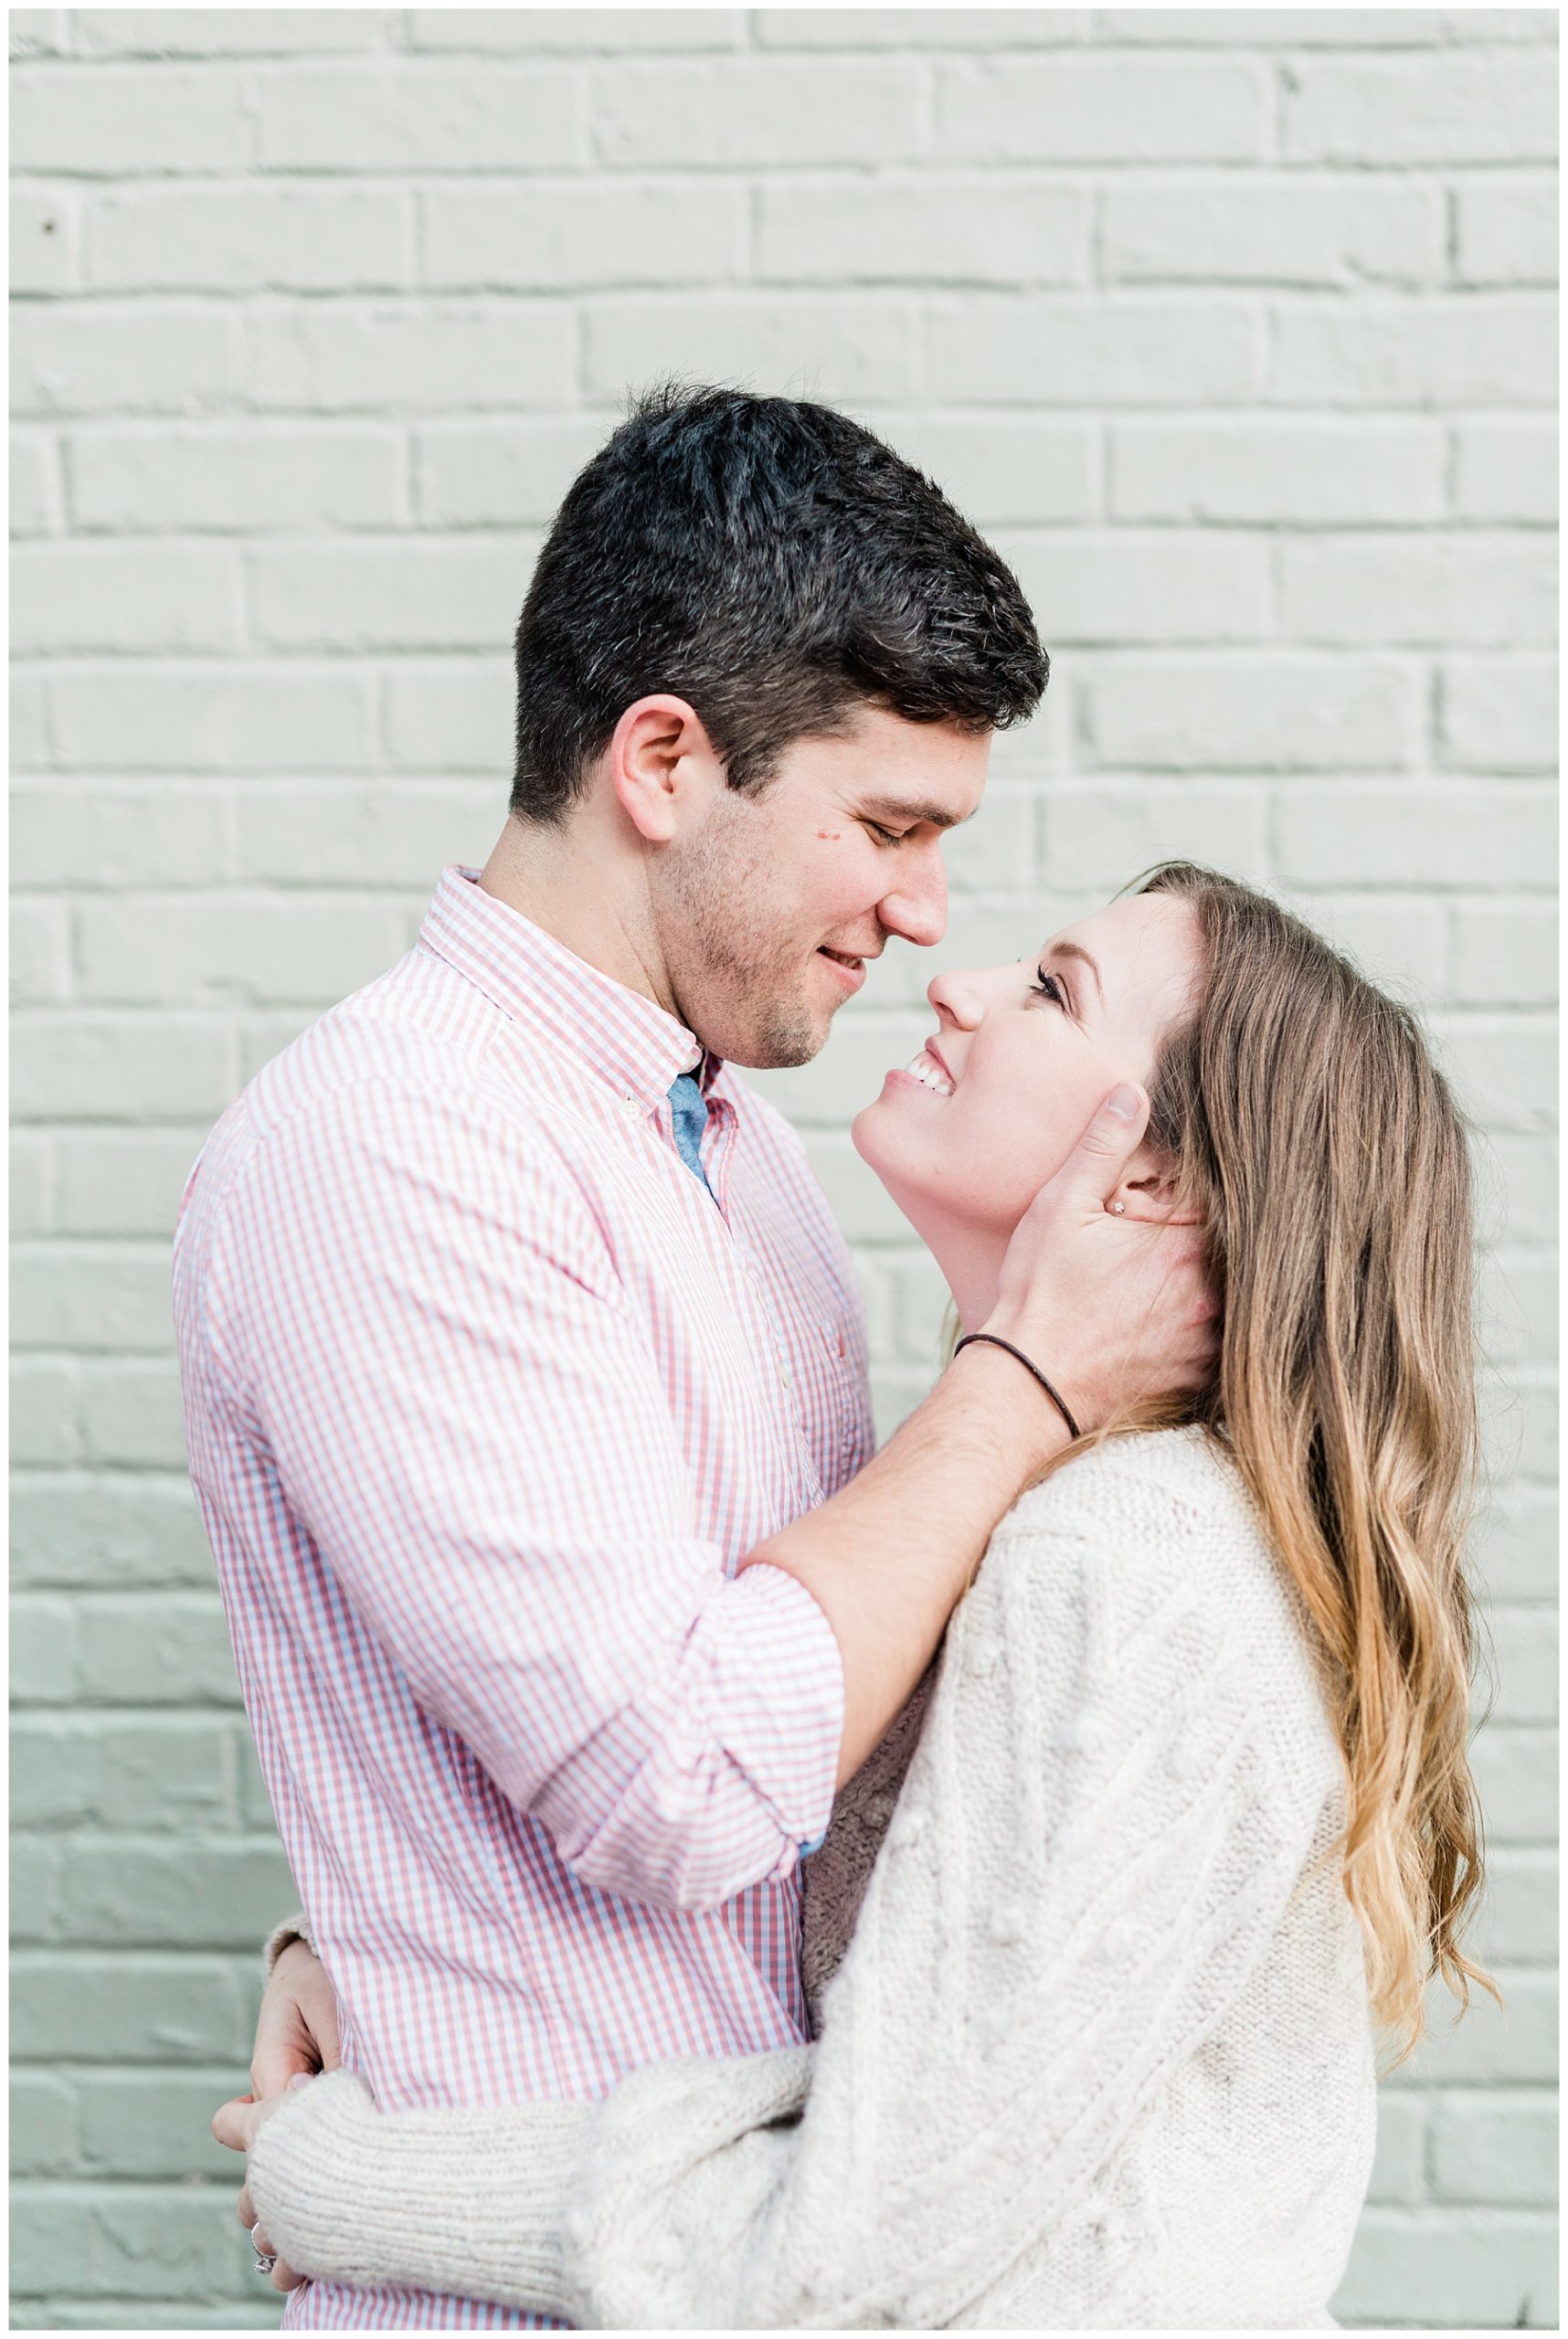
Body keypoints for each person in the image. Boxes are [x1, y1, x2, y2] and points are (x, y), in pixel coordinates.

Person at [174, 386, 1212, 2330]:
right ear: (664, 758)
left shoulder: (736, 1152)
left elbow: (771, 1717)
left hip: (753, 2260)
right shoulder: (391, 1142)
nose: (924, 913)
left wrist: (369, 1905)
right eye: (889, 827)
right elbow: (684, 1781)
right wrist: (1026, 1376)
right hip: (528, 2292)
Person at [217, 863, 1491, 2330]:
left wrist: (354, 2185)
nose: (954, 976)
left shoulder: (1123, 1564)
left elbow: (864, 2237)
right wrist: (372, 1960)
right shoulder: (1039, 1504)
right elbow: (685, 1696)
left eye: (1053, 991)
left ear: (1147, 1177)